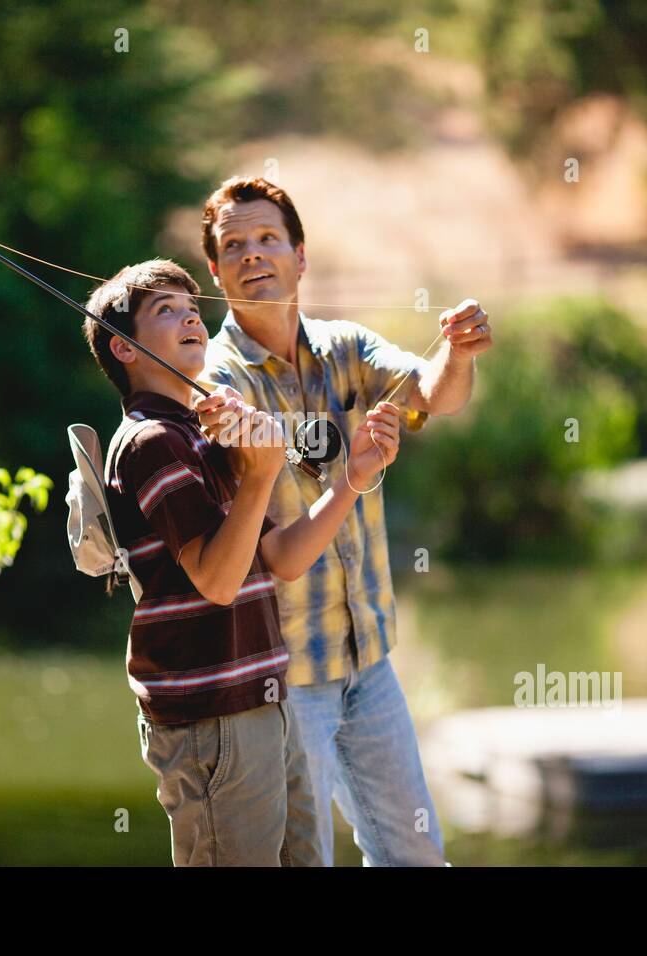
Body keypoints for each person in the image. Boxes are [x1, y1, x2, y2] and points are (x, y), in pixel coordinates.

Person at [197, 178, 493, 866]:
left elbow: (434, 393)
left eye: (269, 238)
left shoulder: (345, 347)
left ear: (301, 256)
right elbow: (267, 550)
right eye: (234, 245)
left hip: (371, 661)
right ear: (215, 271)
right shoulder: (217, 379)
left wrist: (461, 352)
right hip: (285, 678)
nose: (253, 255)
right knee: (306, 861)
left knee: (416, 853)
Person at [80, 258, 404, 866]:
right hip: (211, 719)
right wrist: (257, 475)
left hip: (264, 700)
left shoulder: (204, 436)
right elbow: (218, 581)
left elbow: (278, 558)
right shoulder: (153, 442)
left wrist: (353, 479)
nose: (190, 318)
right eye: (165, 311)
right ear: (123, 348)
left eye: (192, 308)